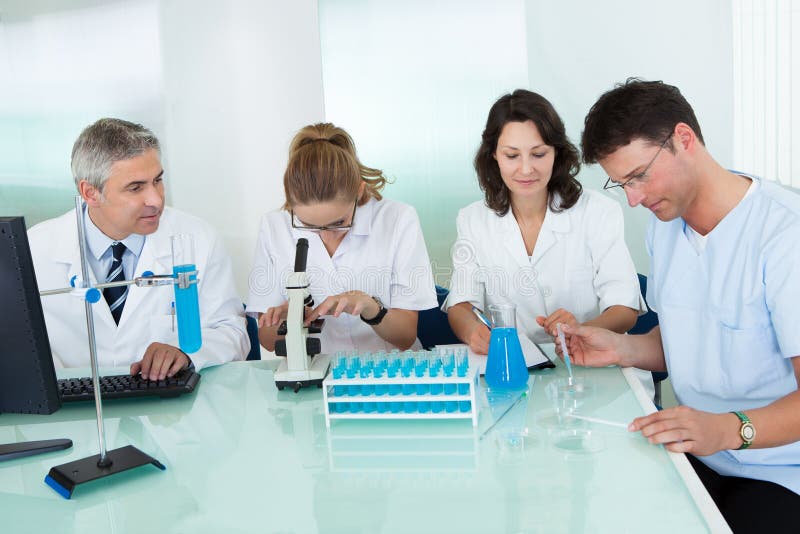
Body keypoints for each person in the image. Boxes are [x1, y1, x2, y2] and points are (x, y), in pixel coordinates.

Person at [571, 78, 800, 531]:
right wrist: (623, 348)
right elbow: (688, 335)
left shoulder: (784, 236)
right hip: (697, 458)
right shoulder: (666, 227)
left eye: (639, 176)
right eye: (622, 184)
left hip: (777, 474)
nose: (633, 199)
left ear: (683, 139)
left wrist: (728, 429)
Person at [29, 118, 249, 379]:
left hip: (170, 412)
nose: (156, 200)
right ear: (90, 193)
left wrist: (187, 355)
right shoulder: (35, 249)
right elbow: (18, 342)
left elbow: (232, 332)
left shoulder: (198, 238)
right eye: (136, 188)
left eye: (157, 180)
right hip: (74, 411)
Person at [444, 89, 645, 355]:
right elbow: (461, 304)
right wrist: (473, 332)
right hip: (514, 363)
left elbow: (624, 307)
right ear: (493, 154)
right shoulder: (473, 220)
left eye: (538, 154)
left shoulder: (598, 212)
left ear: (557, 153)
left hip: (594, 363)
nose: (526, 169)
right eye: (512, 155)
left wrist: (583, 331)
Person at [248, 122, 437, 353]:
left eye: (338, 222)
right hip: (314, 373)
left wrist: (371, 308)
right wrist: (292, 318)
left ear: (358, 191)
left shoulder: (397, 219)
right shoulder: (274, 226)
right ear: (290, 200)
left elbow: (405, 336)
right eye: (308, 225)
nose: (325, 233)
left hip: (389, 370)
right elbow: (267, 341)